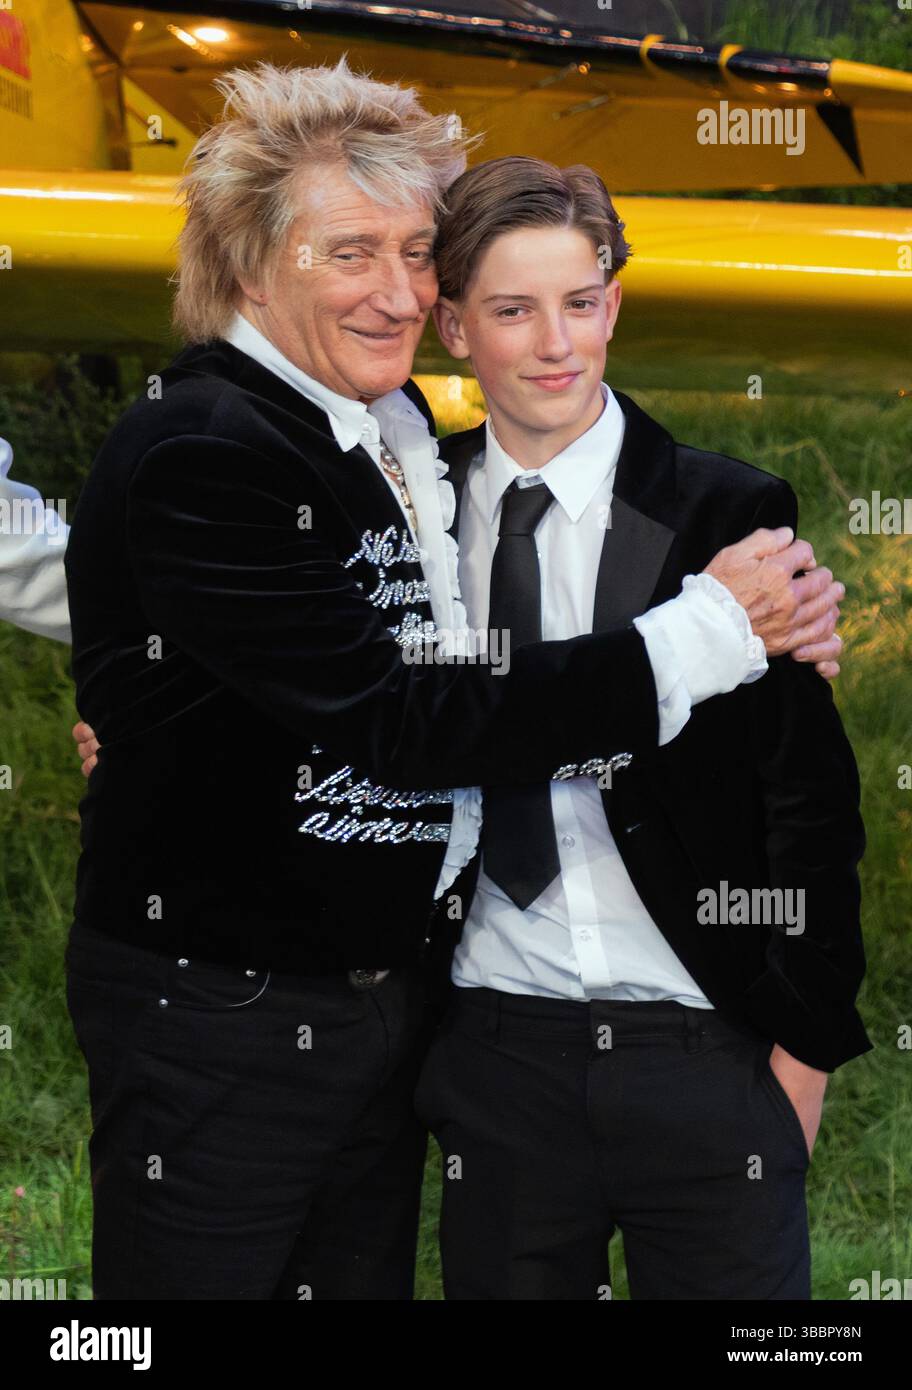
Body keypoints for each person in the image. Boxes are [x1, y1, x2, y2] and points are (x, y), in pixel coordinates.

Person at [13, 61, 840, 1300]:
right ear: (251, 264)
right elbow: (402, 715)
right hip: (227, 1012)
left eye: (414, 252)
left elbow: (794, 798)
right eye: (351, 254)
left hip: (397, 1012)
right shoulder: (205, 444)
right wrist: (708, 628)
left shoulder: (389, 439)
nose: (396, 292)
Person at [413, 155, 870, 1300]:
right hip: (496, 1043)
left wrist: (799, 1059)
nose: (556, 343)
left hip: (701, 1042)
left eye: (581, 302)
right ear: (455, 326)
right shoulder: (409, 511)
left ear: (613, 303)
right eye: (514, 310)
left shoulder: (724, 513)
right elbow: (332, 687)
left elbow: (808, 807)